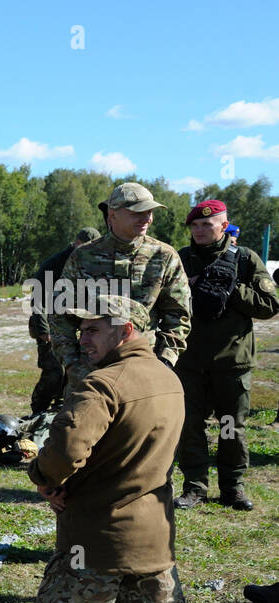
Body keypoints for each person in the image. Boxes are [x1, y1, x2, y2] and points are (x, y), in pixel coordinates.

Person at [29, 295, 258, 603]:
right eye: (82, 329)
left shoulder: (102, 384)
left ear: (126, 331)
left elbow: (63, 452)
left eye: (94, 329)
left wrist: (44, 478)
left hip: (96, 544)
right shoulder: (170, 380)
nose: (83, 338)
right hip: (156, 546)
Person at [172, 199, 279, 512]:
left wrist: (230, 288)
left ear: (224, 224)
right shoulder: (182, 259)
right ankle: (194, 487)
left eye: (207, 224)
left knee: (232, 425)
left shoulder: (244, 258)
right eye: (195, 225)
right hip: (190, 361)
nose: (200, 230)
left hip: (232, 361)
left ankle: (233, 488)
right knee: (190, 426)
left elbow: (269, 305)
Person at [50, 182, 192, 389]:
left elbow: (178, 316)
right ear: (113, 214)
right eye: (138, 212)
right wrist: (73, 366)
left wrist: (164, 362)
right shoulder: (83, 255)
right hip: (90, 369)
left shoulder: (164, 256)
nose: (147, 218)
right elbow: (59, 313)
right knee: (84, 421)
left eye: (150, 211)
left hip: (144, 368)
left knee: (140, 422)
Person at [28, 227, 100, 413]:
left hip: (78, 326)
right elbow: (38, 296)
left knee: (74, 372)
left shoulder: (92, 262)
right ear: (76, 242)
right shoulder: (55, 263)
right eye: (83, 246)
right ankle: (38, 408)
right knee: (54, 373)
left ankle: (60, 408)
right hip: (50, 325)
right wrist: (44, 329)